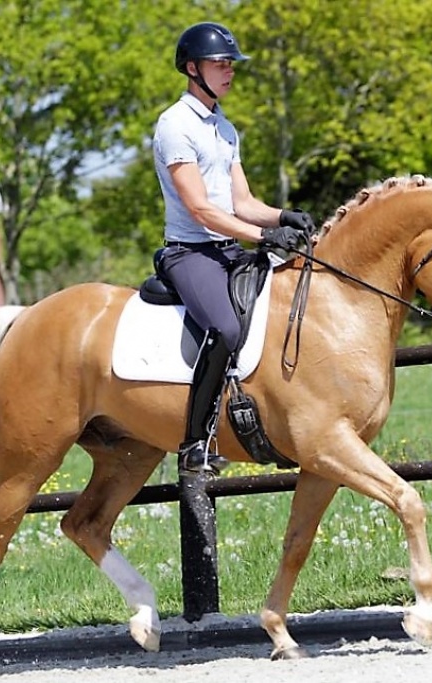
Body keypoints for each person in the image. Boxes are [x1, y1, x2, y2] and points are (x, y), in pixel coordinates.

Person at [153, 21, 315, 476]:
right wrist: (263, 236)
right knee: (224, 329)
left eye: (231, 65)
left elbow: (243, 203)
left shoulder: (224, 128)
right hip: (190, 253)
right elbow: (202, 210)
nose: (229, 72)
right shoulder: (175, 125)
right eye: (219, 64)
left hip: (227, 249)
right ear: (192, 68)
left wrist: (283, 217)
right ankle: (194, 444)